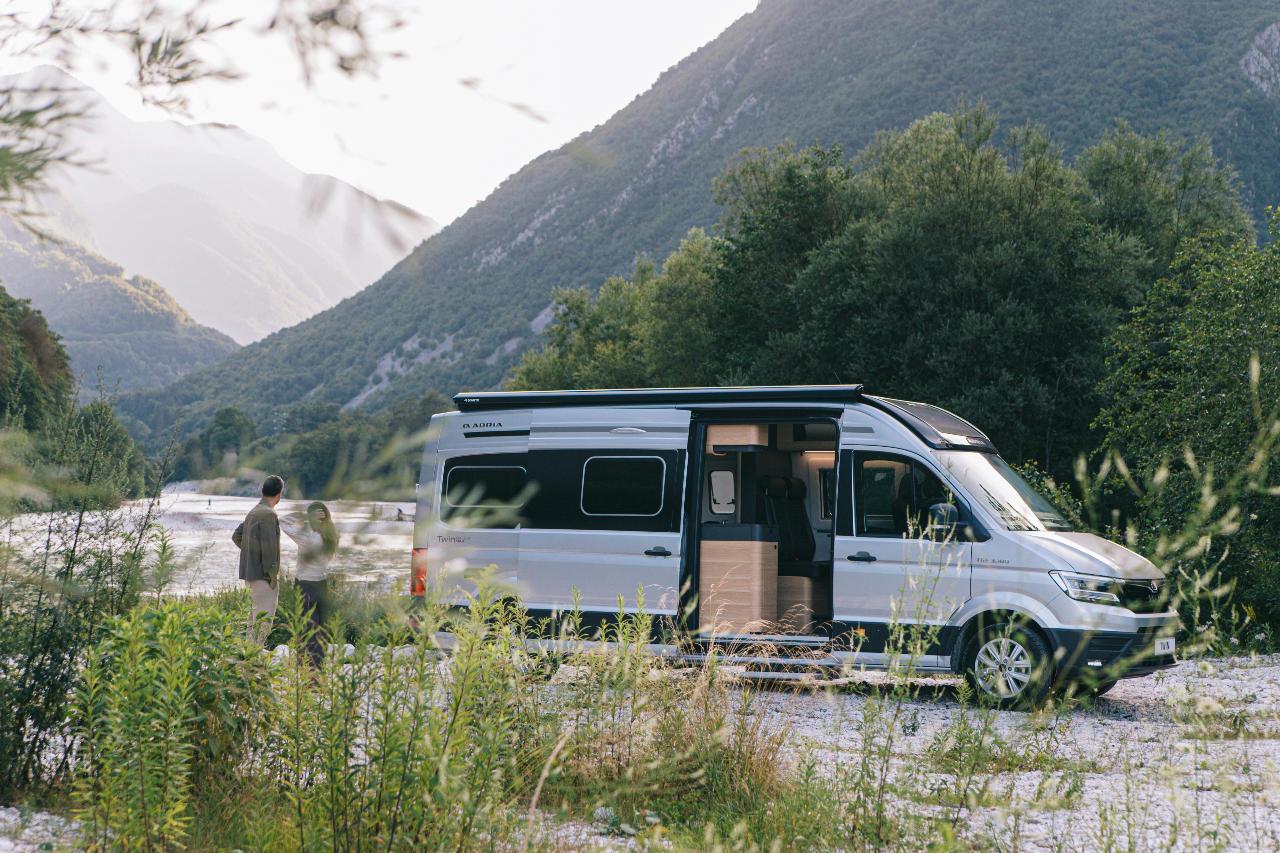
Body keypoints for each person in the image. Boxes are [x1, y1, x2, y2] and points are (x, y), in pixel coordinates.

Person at [281, 501, 339, 664]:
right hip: (322, 584)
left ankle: (305, 664)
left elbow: (282, 521)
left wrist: (306, 517)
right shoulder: (331, 536)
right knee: (321, 626)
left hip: (305, 585)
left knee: (305, 625)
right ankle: (319, 663)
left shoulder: (306, 535)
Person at [234, 475, 284, 645]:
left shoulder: (254, 511)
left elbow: (236, 536)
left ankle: (249, 656)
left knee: (253, 622)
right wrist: (272, 576)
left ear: (263, 491)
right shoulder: (269, 514)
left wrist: (252, 555)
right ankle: (254, 656)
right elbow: (270, 550)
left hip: (250, 576)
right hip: (263, 577)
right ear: (279, 494)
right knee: (263, 624)